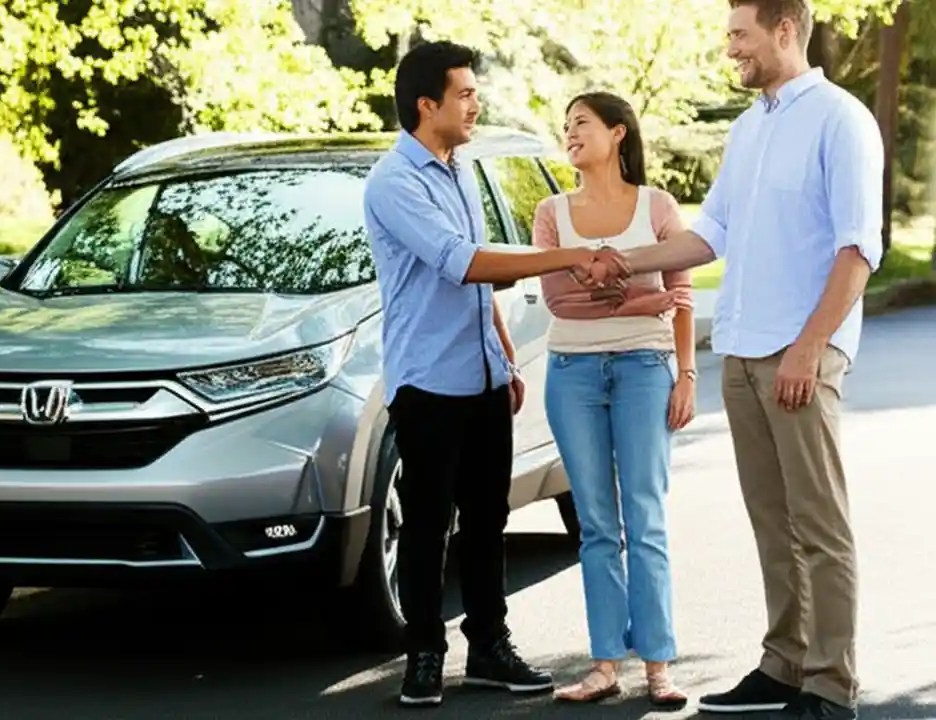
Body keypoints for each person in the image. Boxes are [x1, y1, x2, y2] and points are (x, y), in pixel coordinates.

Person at [577, 1, 884, 718]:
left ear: (784, 30)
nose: (729, 51)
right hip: (744, 351)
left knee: (819, 526)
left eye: (739, 35)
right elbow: (709, 232)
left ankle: (832, 686)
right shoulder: (749, 129)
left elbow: (858, 248)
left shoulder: (841, 121)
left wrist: (811, 345)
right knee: (772, 523)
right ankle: (785, 666)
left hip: (798, 350)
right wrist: (625, 262)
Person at [361, 40, 612, 708]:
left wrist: (502, 355)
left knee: (485, 520)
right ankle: (423, 655)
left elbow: (480, 290)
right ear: (426, 104)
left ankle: (490, 649)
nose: (477, 102)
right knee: (425, 525)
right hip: (427, 383)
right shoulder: (394, 182)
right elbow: (463, 261)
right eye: (465, 93)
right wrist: (562, 258)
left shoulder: (461, 166)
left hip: (482, 378)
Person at [531, 91, 696, 708]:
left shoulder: (657, 206)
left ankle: (658, 666)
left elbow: (679, 293)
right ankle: (604, 665)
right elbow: (559, 300)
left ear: (617, 133)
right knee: (597, 524)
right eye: (565, 124)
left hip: (646, 370)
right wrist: (640, 294)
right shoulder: (551, 213)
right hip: (571, 372)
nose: (569, 133)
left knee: (645, 517)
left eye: (580, 123)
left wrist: (687, 375)